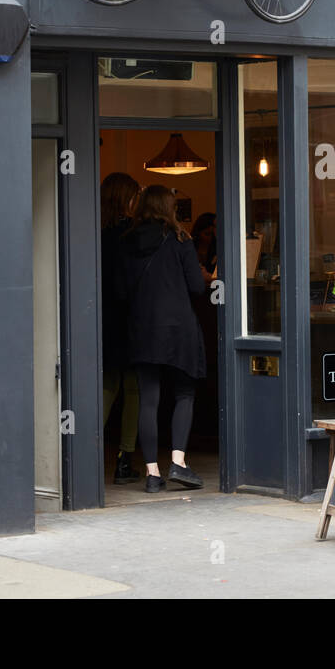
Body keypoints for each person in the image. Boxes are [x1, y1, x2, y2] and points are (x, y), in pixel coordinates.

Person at [119, 185, 208, 492]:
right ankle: (179, 462)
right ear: (169, 207)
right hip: (178, 327)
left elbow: (120, 291)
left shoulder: (127, 242)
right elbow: (197, 286)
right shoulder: (181, 240)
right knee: (185, 392)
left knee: (148, 399)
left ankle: (152, 473)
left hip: (143, 327)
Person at [100, 172, 141, 485]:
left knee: (108, 384)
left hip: (102, 315)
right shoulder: (131, 231)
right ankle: (125, 459)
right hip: (130, 316)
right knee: (133, 388)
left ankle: (88, 450)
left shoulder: (93, 227)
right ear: (128, 198)